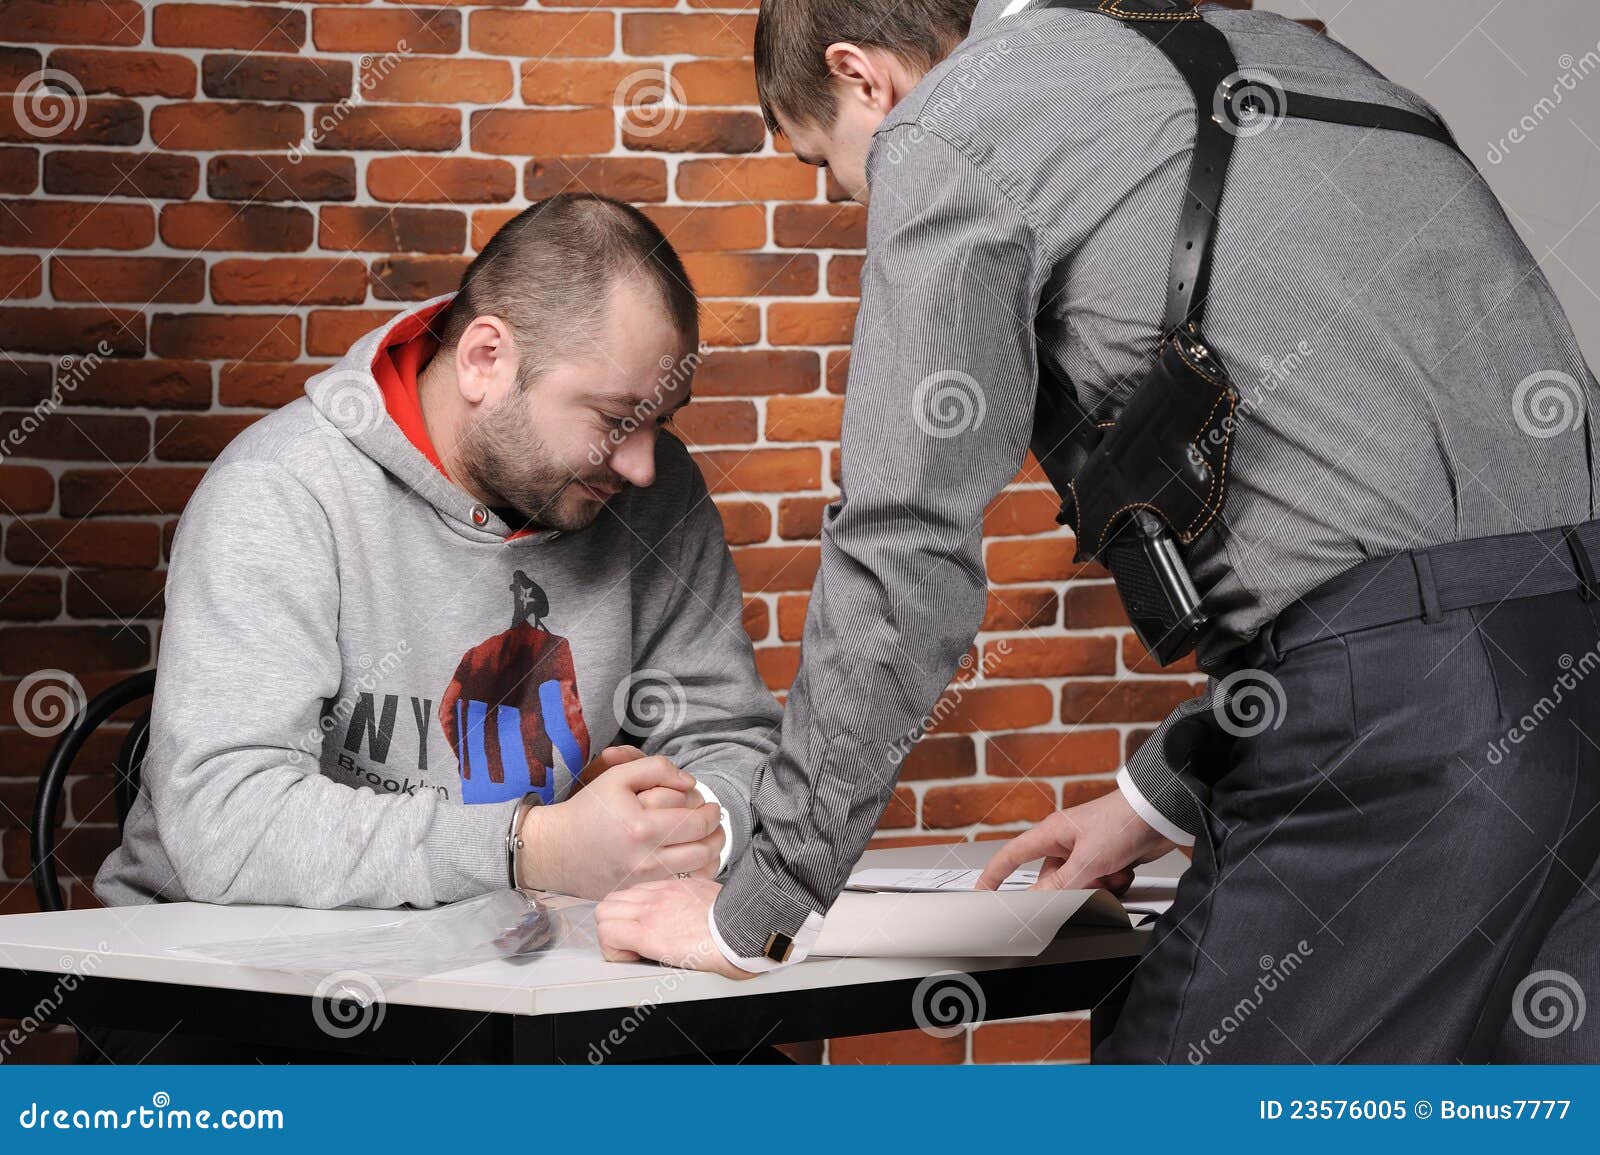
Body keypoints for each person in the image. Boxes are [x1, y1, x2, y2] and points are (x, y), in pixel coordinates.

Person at [595, 0, 1600, 1065]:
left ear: (862, 78)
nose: (844, 194)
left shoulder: (947, 124)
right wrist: (1153, 797)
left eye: (822, 161)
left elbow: (902, 543)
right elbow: (1416, 547)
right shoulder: (1307, 69)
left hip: (1413, 753)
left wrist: (754, 907)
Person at [88, 194, 782, 1061]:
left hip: (519, 979)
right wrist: (532, 845)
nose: (644, 465)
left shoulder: (656, 494)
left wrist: (699, 819)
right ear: (487, 358)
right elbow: (225, 826)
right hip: (226, 994)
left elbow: (734, 735)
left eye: (660, 424)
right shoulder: (282, 491)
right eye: (615, 421)